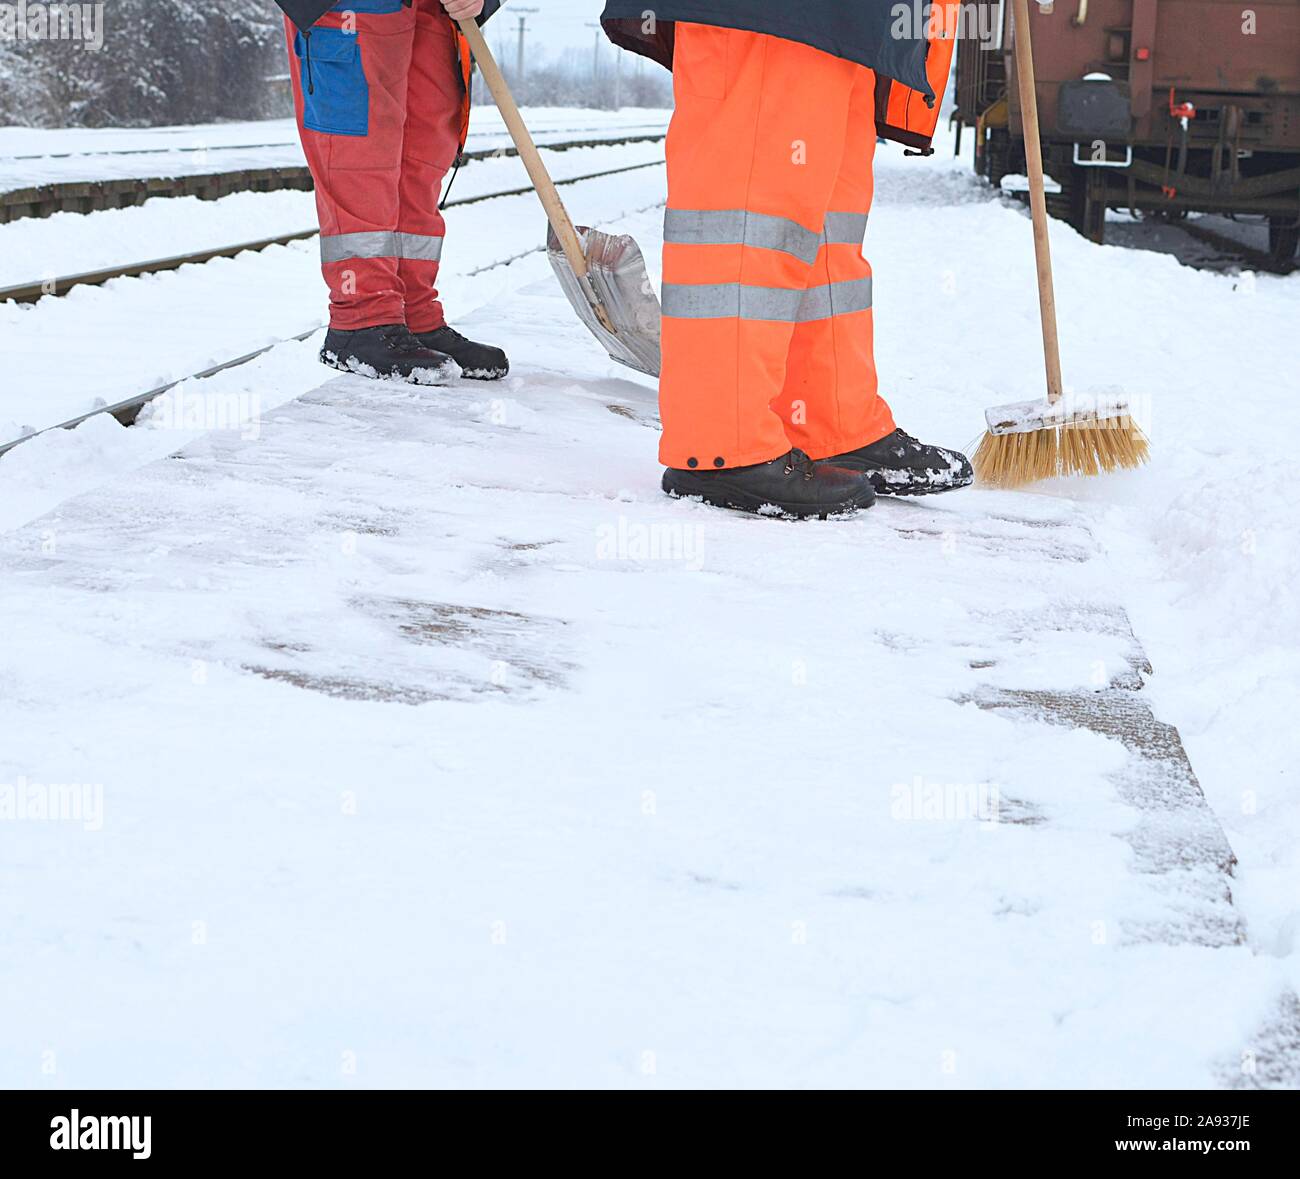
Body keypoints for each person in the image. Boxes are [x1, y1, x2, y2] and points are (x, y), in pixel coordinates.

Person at [602, 2, 973, 517]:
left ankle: (829, 424)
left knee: (826, 237)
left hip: (853, 25)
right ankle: (723, 445)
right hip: (766, 16)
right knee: (750, 224)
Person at [275, 0, 508, 384]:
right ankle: (361, 319)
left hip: (434, 9)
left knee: (423, 154)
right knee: (360, 155)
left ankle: (413, 315)